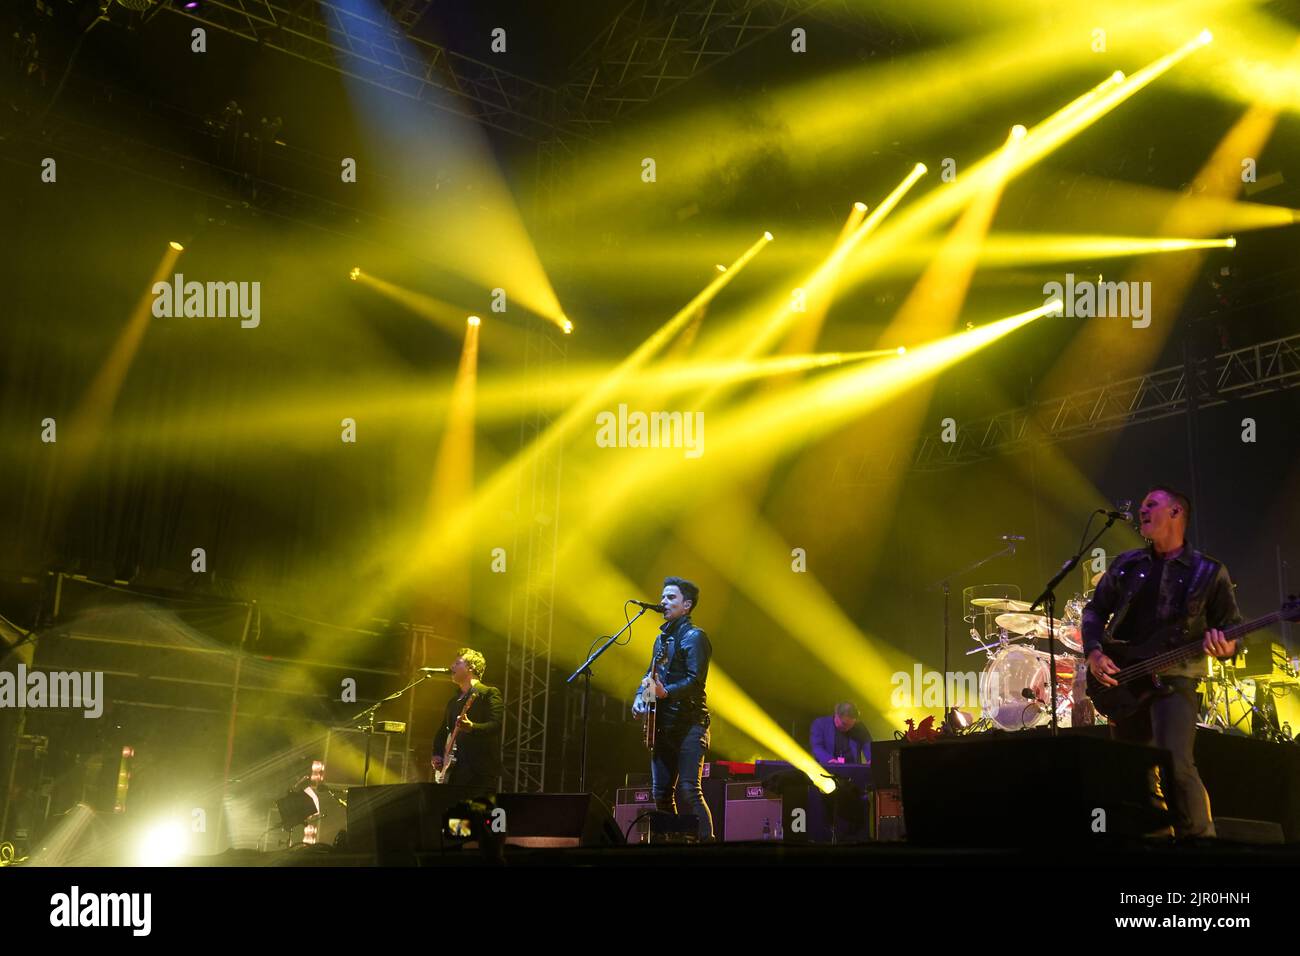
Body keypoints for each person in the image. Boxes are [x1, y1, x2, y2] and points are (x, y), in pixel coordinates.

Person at [1082, 486, 1241, 838]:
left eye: (1151, 504)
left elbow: (1230, 628)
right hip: (1127, 678)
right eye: (1140, 506)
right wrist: (1094, 652)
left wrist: (1226, 646)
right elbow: (1094, 610)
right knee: (1134, 773)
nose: (1142, 511)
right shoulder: (1127, 564)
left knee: (1175, 763)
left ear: (1175, 513)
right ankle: (1153, 846)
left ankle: (1201, 844)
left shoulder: (1209, 572)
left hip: (1176, 680)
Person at [632, 576, 714, 840]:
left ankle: (705, 844)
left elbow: (695, 680)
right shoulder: (661, 640)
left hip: (690, 725)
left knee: (690, 790)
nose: (663, 602)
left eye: (671, 598)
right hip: (663, 727)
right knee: (660, 793)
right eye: (663, 596)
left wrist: (665, 692)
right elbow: (650, 676)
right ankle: (674, 845)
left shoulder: (695, 637)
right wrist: (640, 697)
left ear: (687, 605)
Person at [431, 648, 504, 792]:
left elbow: (496, 725)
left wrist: (472, 727)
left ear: (471, 667)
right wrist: (437, 754)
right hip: (454, 771)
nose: (452, 666)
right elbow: (442, 731)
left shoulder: (488, 693)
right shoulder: (453, 701)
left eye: (457, 663)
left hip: (479, 771)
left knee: (475, 812)